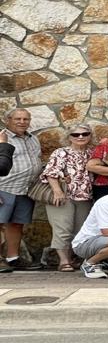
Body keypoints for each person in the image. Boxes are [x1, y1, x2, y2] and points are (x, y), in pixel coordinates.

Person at [40, 123, 98, 272]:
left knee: (81, 230)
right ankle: (64, 261)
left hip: (85, 197)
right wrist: (57, 191)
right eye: (76, 134)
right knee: (63, 228)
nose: (80, 137)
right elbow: (51, 173)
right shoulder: (61, 152)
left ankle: (74, 258)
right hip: (63, 196)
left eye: (85, 134)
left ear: (90, 136)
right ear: (69, 137)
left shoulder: (92, 153)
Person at [0, 108, 45, 271]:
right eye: (17, 119)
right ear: (8, 120)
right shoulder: (1, 138)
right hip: (4, 187)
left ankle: (13, 258)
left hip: (25, 189)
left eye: (25, 119)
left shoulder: (33, 139)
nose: (22, 122)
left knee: (16, 224)